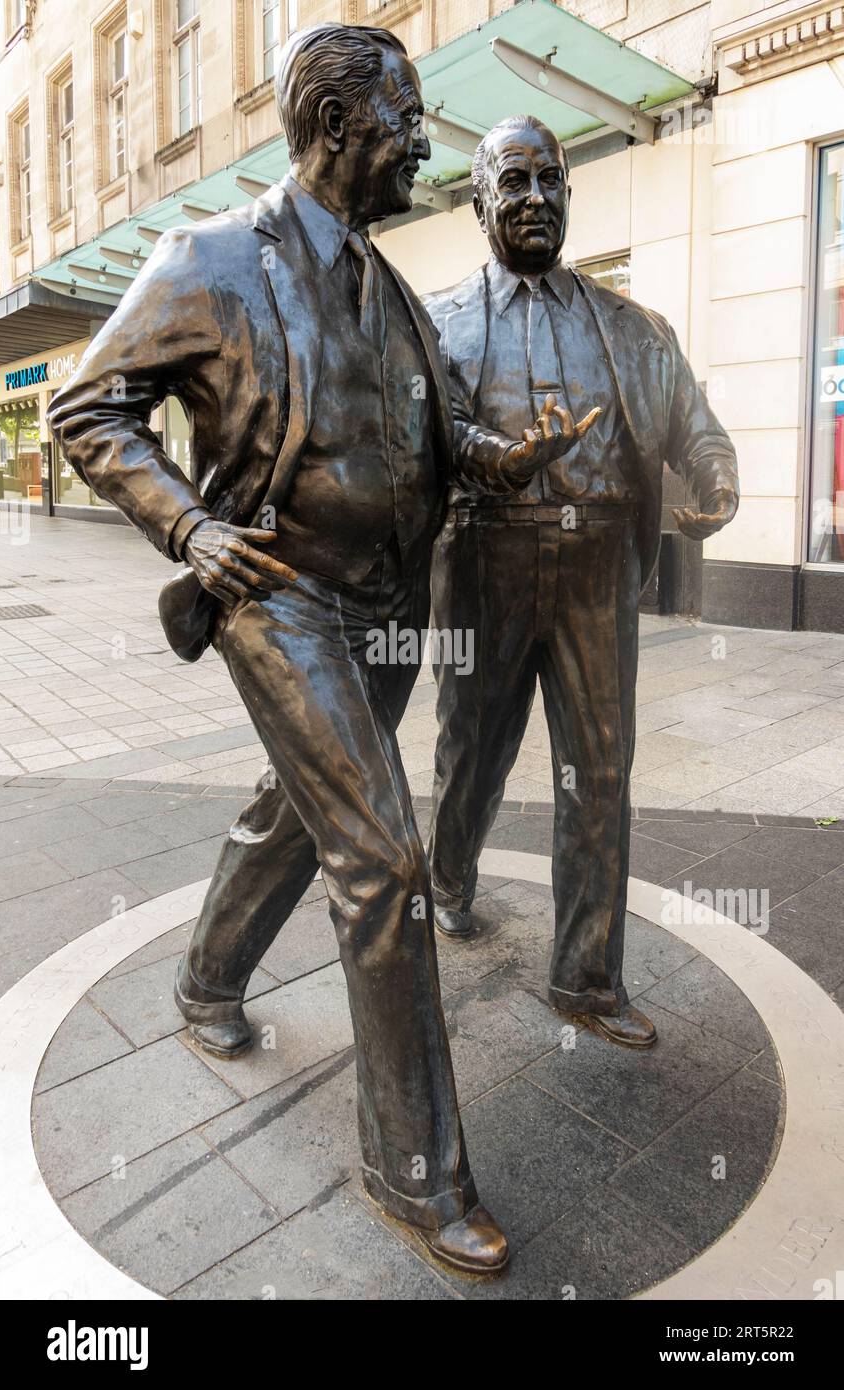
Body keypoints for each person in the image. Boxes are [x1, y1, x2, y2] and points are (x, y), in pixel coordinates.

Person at [48, 23, 509, 1276]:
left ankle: (207, 982)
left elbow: (431, 430)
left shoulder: (392, 284)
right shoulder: (209, 259)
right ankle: (417, 1173)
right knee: (383, 856)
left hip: (390, 604)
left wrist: (495, 457)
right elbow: (85, 406)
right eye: (406, 122)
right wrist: (188, 528)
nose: (423, 144)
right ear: (337, 129)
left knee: (298, 813)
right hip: (279, 596)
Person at [425, 115, 739, 1049]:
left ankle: (586, 979)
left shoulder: (634, 329)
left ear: (568, 191)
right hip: (487, 558)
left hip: (599, 566)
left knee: (599, 770)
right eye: (512, 183)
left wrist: (717, 476)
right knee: (473, 750)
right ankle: (447, 877)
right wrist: (494, 459)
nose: (533, 199)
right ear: (480, 202)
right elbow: (422, 441)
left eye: (548, 180)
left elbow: (694, 423)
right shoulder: (438, 325)